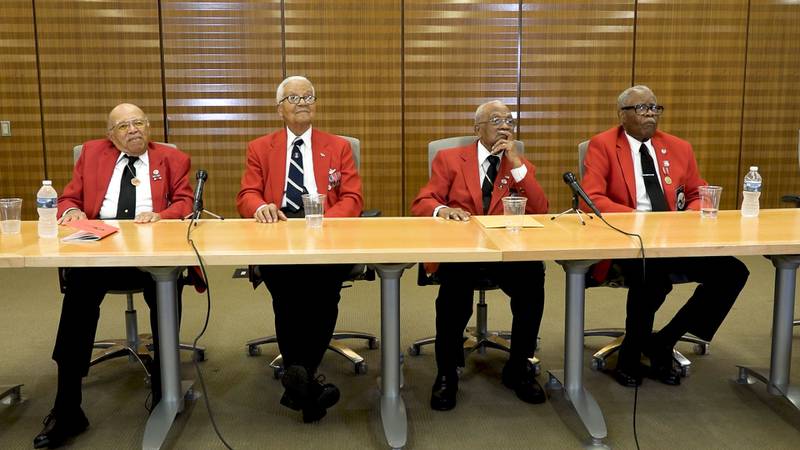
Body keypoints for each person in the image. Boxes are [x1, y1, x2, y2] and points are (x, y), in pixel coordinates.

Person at [34, 103, 195, 448]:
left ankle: (165, 388)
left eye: (139, 123)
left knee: (166, 288)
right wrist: (73, 210)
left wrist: (163, 215)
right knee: (78, 300)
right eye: (124, 126)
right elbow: (67, 199)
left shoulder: (173, 159)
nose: (133, 130)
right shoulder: (92, 154)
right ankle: (67, 407)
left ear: (149, 127)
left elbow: (186, 203)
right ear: (111, 135)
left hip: (153, 250)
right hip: (99, 250)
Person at [581, 85, 750, 388]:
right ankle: (630, 356)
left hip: (676, 238)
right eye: (641, 108)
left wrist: (690, 217)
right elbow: (590, 199)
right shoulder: (603, 145)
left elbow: (699, 192)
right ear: (622, 115)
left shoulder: (678, 147)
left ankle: (665, 340)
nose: (650, 114)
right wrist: (642, 219)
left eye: (654, 108)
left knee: (733, 272)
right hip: (630, 240)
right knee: (653, 278)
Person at [237, 76, 363, 423]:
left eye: (308, 96)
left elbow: (353, 199)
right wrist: (258, 206)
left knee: (324, 292)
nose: (302, 101)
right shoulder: (260, 147)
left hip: (328, 232)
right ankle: (307, 384)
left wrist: (323, 222)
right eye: (293, 97)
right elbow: (247, 194)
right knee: (287, 293)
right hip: (279, 230)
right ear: (280, 108)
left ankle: (299, 376)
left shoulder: (337, 147)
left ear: (316, 104)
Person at [410, 100, 549, 411]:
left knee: (532, 281)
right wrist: (443, 209)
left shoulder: (517, 163)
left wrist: (516, 165)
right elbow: (422, 201)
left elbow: (541, 209)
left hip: (507, 251)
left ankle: (519, 367)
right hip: (463, 250)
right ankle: (447, 372)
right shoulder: (450, 159)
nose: (504, 126)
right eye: (496, 119)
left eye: (509, 121)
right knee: (453, 297)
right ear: (477, 128)